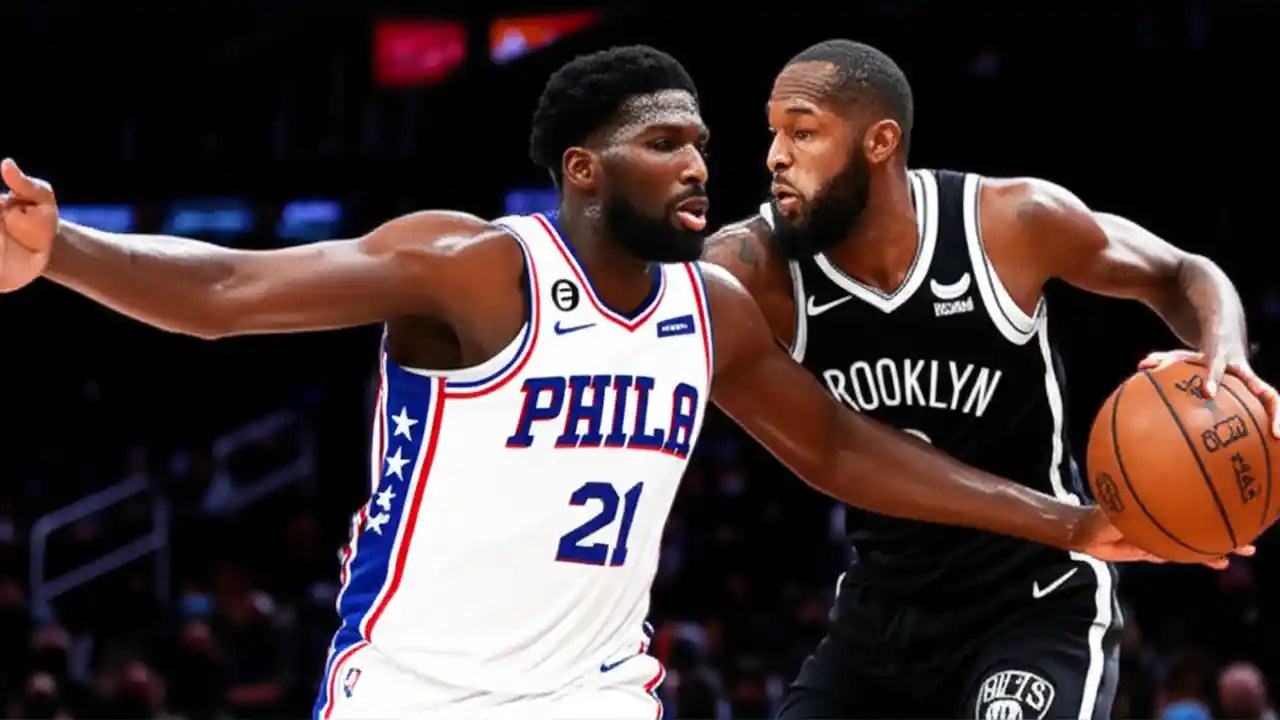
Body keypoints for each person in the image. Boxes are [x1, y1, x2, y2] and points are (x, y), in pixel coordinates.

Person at [3, 45, 1175, 720]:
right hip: (412, 690)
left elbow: (838, 448)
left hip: (595, 694)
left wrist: (1064, 522)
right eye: (665, 144)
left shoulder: (709, 310)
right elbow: (225, 294)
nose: (699, 165)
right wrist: (61, 251)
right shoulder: (473, 268)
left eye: (702, 144)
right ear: (582, 170)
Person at [702, 39, 1276, 720]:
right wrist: (1069, 523)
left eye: (802, 133)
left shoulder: (1008, 224)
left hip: (1034, 600)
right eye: (773, 133)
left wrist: (1225, 352)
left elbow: (1180, 273)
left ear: (880, 142)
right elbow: (834, 446)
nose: (775, 156)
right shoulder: (753, 268)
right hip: (881, 615)